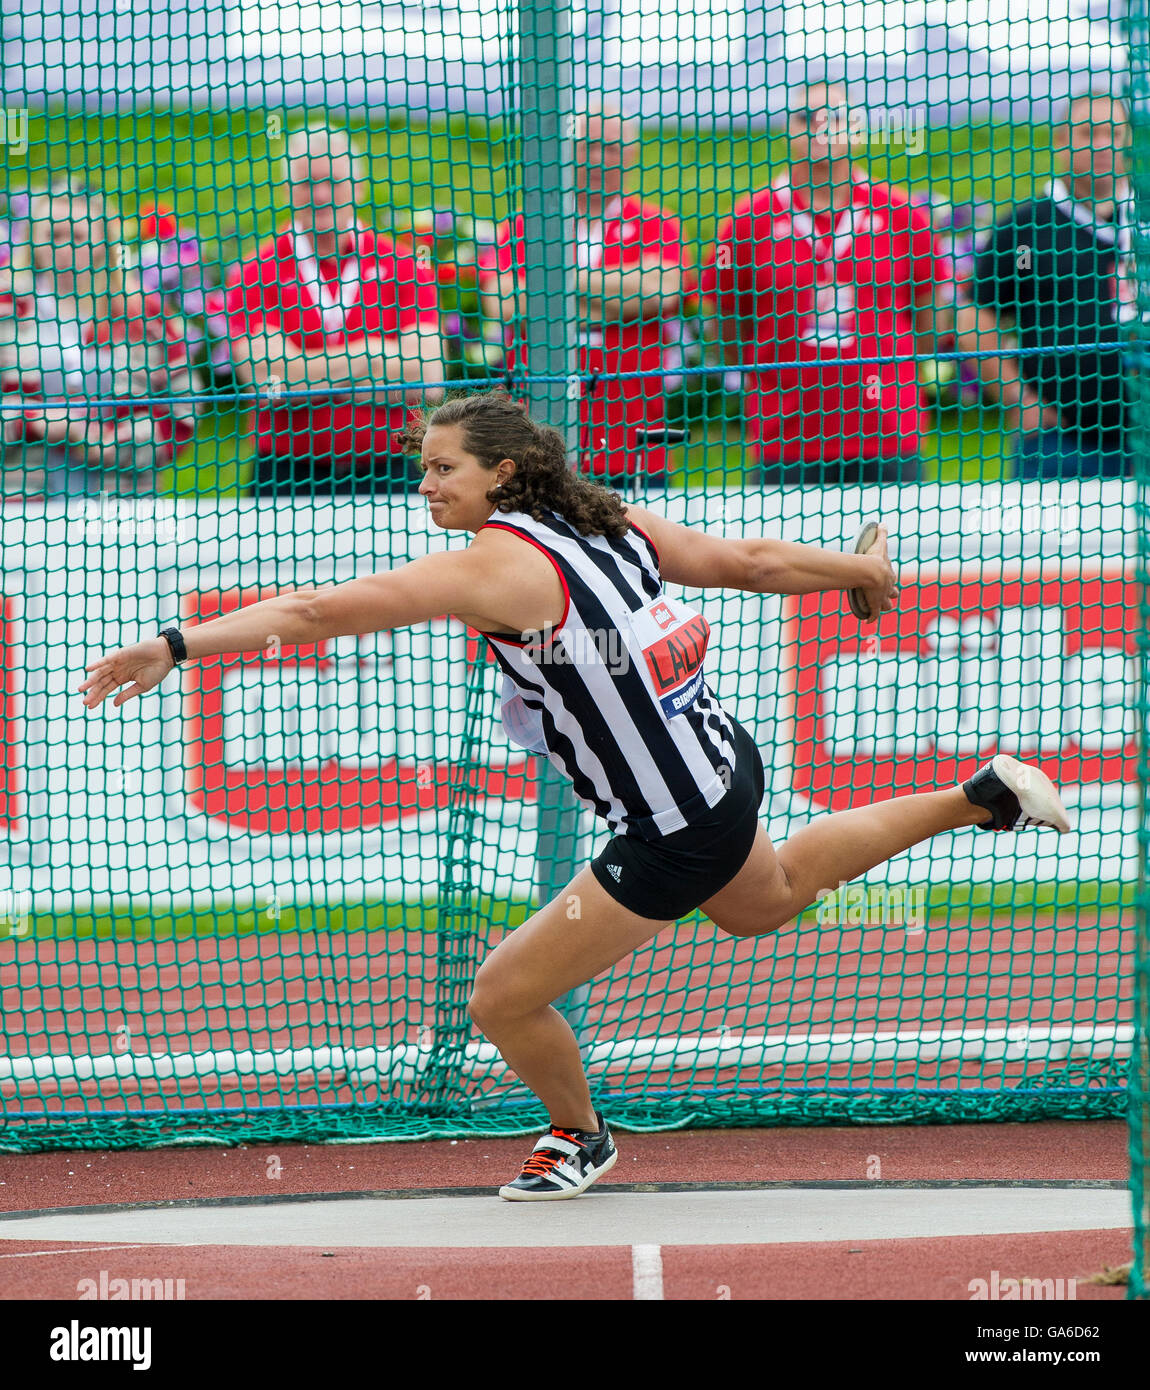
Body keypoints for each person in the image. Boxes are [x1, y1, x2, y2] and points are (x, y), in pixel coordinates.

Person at [78, 389, 1073, 1201]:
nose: (423, 483)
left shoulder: (498, 569)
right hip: (724, 759)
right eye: (421, 465)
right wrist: (859, 568)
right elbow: (751, 564)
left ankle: (580, 1136)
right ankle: (979, 796)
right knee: (761, 898)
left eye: (442, 468)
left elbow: (314, 611)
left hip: (671, 820)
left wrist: (175, 645)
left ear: (502, 473)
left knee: (503, 997)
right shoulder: (606, 515)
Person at [700, 83, 950, 485]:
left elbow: (928, 318)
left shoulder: (903, 214)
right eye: (806, 119)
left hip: (886, 431)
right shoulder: (746, 221)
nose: (821, 128)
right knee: (788, 550)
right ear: (789, 131)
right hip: (785, 435)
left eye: (835, 118)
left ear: (858, 130)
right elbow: (726, 322)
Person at [225, 124, 446, 497]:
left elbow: (428, 380)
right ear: (287, 191)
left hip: (386, 472)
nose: (321, 194)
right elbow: (270, 385)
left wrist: (309, 374)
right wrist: (370, 355)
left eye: (333, 181)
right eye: (307, 182)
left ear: (357, 187)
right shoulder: (254, 271)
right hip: (284, 476)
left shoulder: (405, 265)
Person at [477, 102, 692, 486]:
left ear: (631, 154)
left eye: (609, 147)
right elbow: (502, 301)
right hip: (534, 445)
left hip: (634, 443)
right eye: (586, 145)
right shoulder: (525, 224)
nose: (596, 158)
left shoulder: (660, 223)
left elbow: (660, 291)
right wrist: (617, 298)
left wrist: (549, 289)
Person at [955, 90, 1132, 480]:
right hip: (1059, 445)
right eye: (1089, 133)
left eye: (1113, 134)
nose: (1103, 145)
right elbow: (974, 319)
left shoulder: (1143, 219)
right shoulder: (1024, 233)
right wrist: (1018, 398)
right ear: (1061, 140)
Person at [0, 186, 201, 500]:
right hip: (21, 512)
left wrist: (110, 444)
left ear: (103, 243)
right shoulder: (6, 308)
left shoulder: (144, 316)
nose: (64, 247)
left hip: (123, 510)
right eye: (53, 235)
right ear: (32, 240)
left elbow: (185, 412)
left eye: (77, 236)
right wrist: (32, 422)